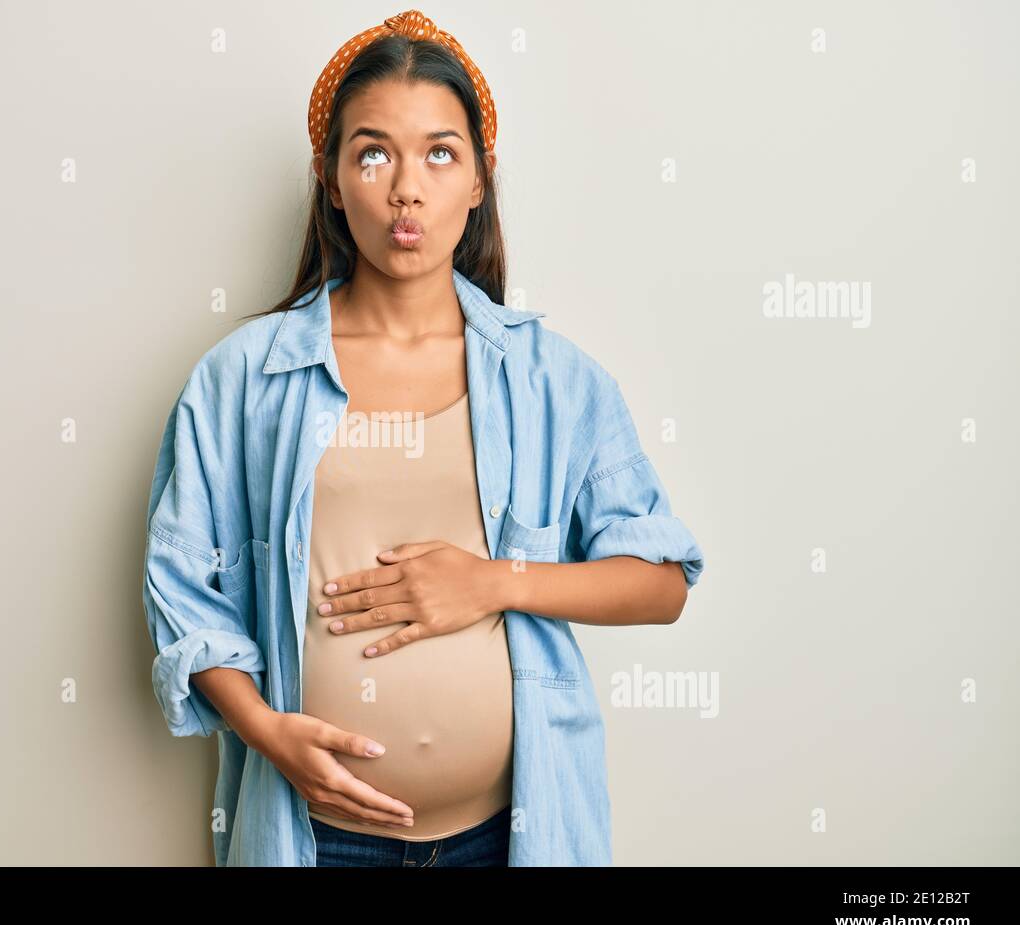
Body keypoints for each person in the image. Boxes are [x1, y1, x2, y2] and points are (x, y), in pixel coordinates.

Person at [142, 9, 705, 867]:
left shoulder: (554, 380)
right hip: (314, 837)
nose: (407, 187)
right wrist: (265, 733)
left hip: (510, 837)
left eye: (440, 152)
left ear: (479, 180)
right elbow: (181, 588)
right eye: (373, 152)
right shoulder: (241, 377)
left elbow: (661, 582)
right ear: (332, 180)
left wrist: (492, 583)